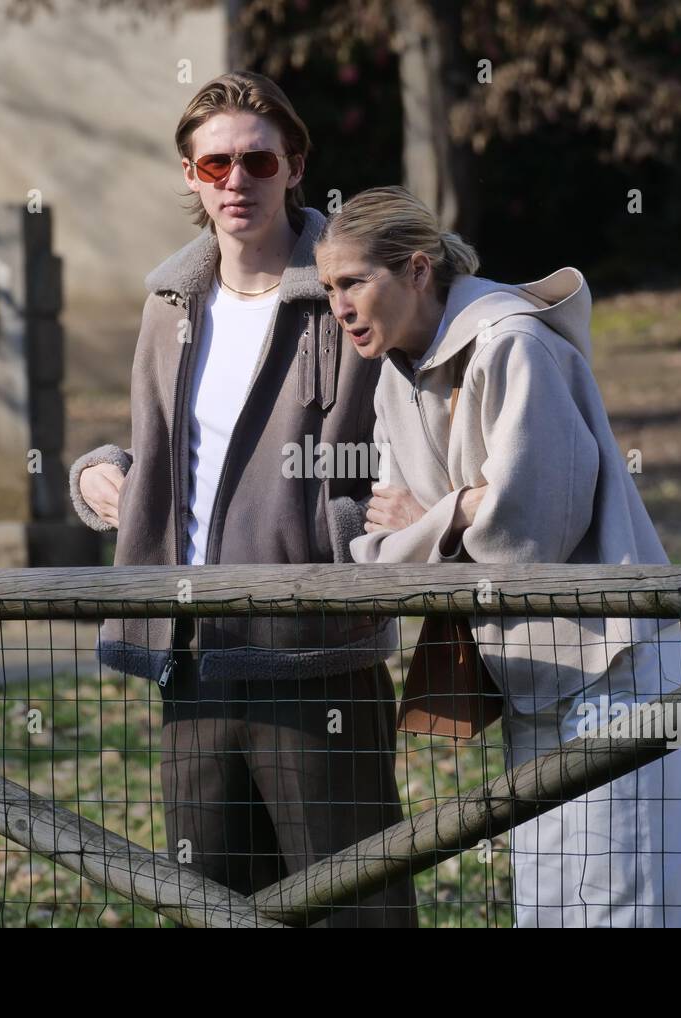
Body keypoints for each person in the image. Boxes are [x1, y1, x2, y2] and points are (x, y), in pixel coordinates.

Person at [68, 74, 416, 926]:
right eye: (214, 163)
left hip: (317, 655)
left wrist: (395, 511)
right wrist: (97, 473)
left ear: (295, 166)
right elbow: (171, 450)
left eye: (257, 160)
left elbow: (424, 409)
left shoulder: (347, 289)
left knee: (355, 912)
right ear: (189, 176)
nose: (236, 181)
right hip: (193, 660)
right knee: (217, 907)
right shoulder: (168, 304)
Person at [315, 185, 681, 927]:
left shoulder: (512, 343)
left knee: (624, 909)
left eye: (354, 281)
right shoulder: (394, 376)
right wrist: (461, 509)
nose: (340, 305)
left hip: (612, 665)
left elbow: (527, 535)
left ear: (418, 269)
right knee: (550, 911)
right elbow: (378, 552)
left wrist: (437, 517)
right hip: (527, 676)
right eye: (331, 287)